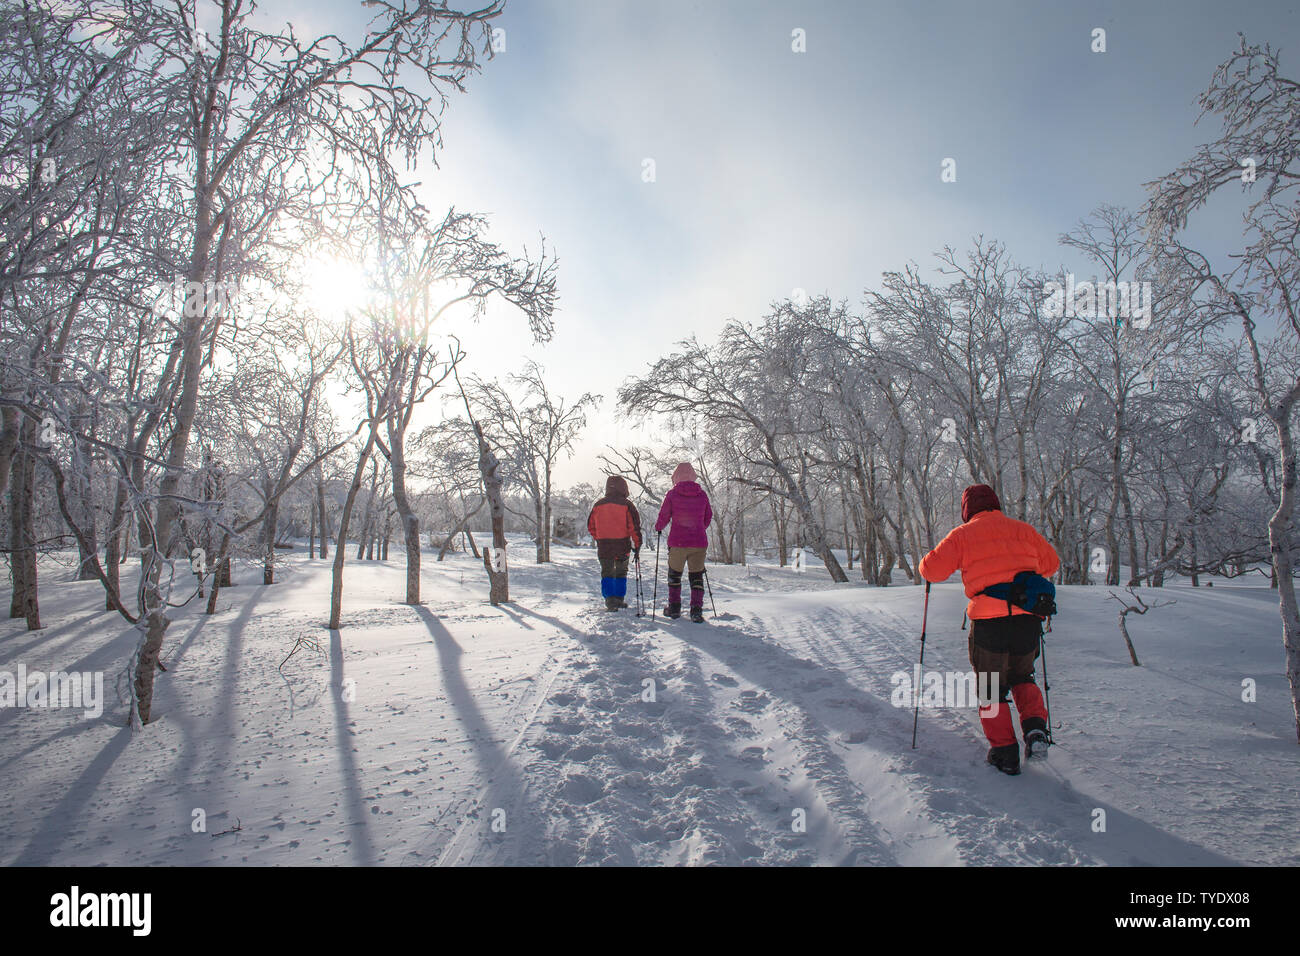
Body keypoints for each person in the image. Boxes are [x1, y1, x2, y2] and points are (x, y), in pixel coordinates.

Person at [918, 484, 1060, 776]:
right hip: (1027, 622)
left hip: (988, 625)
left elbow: (932, 571)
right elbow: (1051, 563)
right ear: (996, 503)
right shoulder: (1024, 530)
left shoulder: (962, 535)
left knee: (991, 688)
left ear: (967, 510)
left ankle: (1005, 753)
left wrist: (924, 561)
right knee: (1023, 676)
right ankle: (1035, 730)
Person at [654, 462, 713, 622]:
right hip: (699, 543)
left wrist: (659, 526)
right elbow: (708, 516)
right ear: (693, 476)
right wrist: (699, 528)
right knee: (696, 577)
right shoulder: (702, 495)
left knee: (674, 575)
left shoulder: (672, 494)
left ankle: (674, 608)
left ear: (676, 477)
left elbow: (664, 515)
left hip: (678, 542)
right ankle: (696, 610)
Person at [586, 475, 643, 611]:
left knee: (607, 572)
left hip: (604, 545)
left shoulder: (598, 505)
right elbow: (634, 526)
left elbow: (591, 526)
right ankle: (618, 599)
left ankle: (609, 600)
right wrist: (637, 543)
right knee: (621, 572)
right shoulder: (627, 505)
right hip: (622, 545)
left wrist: (599, 537)